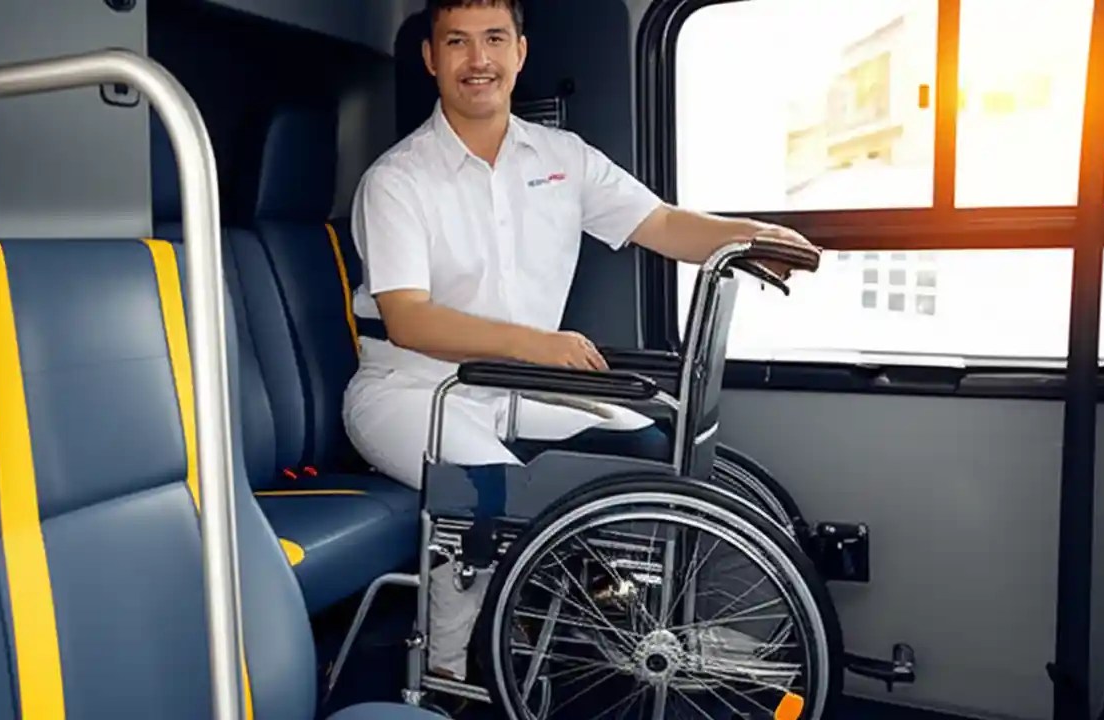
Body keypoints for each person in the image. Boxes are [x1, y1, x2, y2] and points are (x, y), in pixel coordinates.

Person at [342, 0, 818, 679]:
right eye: (457, 42)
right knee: (492, 491)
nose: (478, 60)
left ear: (520, 52)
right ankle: (449, 676)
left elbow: (661, 224)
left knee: (649, 447)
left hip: (515, 390)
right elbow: (410, 320)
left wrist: (751, 236)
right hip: (413, 394)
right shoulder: (397, 179)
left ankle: (614, 610)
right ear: (431, 58)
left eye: (494, 39)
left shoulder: (561, 158)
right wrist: (538, 346)